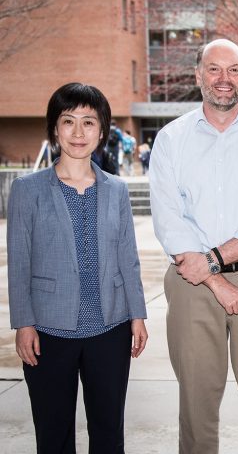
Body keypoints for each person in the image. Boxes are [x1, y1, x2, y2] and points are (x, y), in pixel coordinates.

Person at [149, 38, 238, 454]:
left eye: (233, 69)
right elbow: (168, 219)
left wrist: (212, 260)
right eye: (214, 69)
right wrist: (213, 278)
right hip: (190, 285)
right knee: (195, 404)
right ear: (198, 76)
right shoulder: (172, 139)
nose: (224, 79)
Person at [7, 82, 148, 452]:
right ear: (54, 128)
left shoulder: (116, 190)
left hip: (110, 329)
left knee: (107, 430)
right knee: (53, 435)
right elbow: (18, 263)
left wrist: (137, 315)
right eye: (68, 121)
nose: (78, 132)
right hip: (49, 331)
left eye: (88, 122)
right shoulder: (28, 190)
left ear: (102, 130)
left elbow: (127, 258)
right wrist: (23, 323)